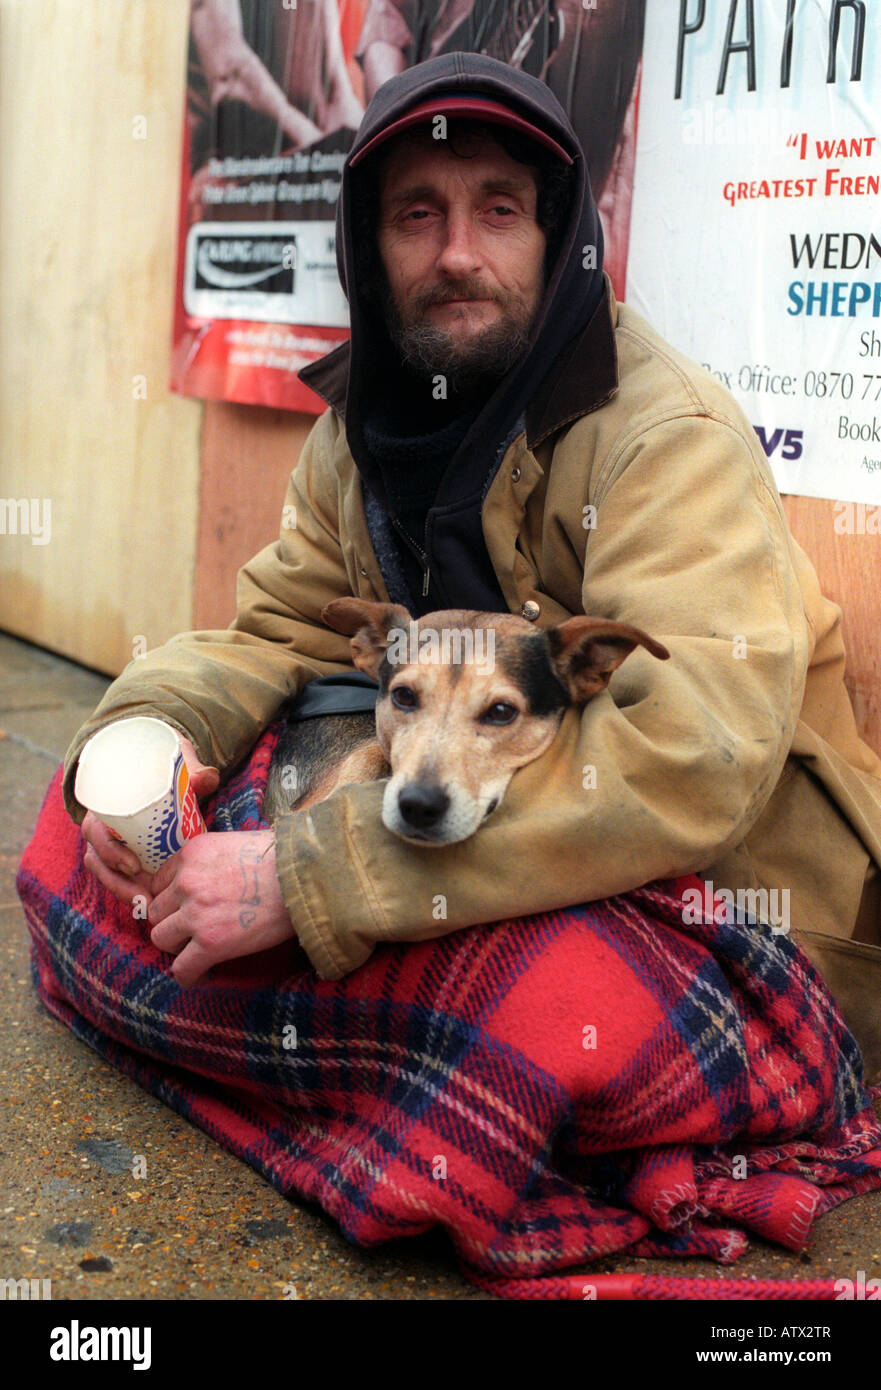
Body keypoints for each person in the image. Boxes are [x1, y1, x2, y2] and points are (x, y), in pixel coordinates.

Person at [63, 51, 881, 1072]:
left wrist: (314, 874)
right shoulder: (361, 421)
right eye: (416, 215)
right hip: (455, 826)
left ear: (556, 239)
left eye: (498, 209)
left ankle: (321, 1061)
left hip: (717, 889)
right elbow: (275, 632)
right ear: (369, 246)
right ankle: (324, 1061)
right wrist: (152, 736)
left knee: (510, 1027)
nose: (456, 254)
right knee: (78, 856)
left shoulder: (664, 434)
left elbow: (691, 756)